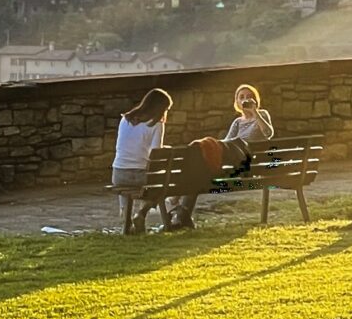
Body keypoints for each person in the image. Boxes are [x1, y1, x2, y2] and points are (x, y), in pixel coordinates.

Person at [166, 84, 274, 230]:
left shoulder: (262, 115)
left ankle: (178, 201)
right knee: (199, 169)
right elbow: (225, 143)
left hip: (246, 163)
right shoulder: (237, 122)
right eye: (241, 97)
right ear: (236, 102)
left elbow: (268, 133)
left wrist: (255, 112)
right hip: (233, 159)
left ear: (256, 100)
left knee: (202, 149)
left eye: (249, 97)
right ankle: (182, 218)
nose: (245, 100)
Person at [113, 88, 172, 234]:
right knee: (162, 185)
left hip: (119, 174)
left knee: (128, 189)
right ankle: (141, 213)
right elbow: (156, 153)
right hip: (142, 176)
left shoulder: (125, 119)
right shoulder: (156, 124)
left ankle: (127, 224)